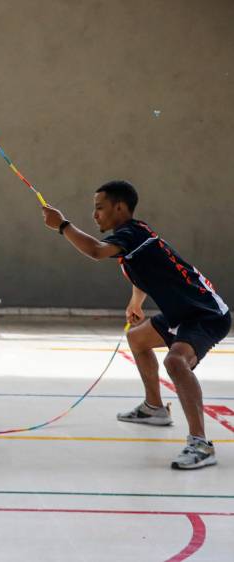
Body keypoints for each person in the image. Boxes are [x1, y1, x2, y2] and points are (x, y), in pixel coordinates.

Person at [42, 180, 229, 470]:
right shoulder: (134, 238)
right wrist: (136, 301)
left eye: (99, 208)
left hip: (206, 314)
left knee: (176, 362)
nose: (95, 216)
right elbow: (147, 270)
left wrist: (62, 225)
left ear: (119, 207)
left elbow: (94, 251)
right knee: (138, 339)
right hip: (182, 311)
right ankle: (154, 408)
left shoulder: (131, 233)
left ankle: (200, 443)